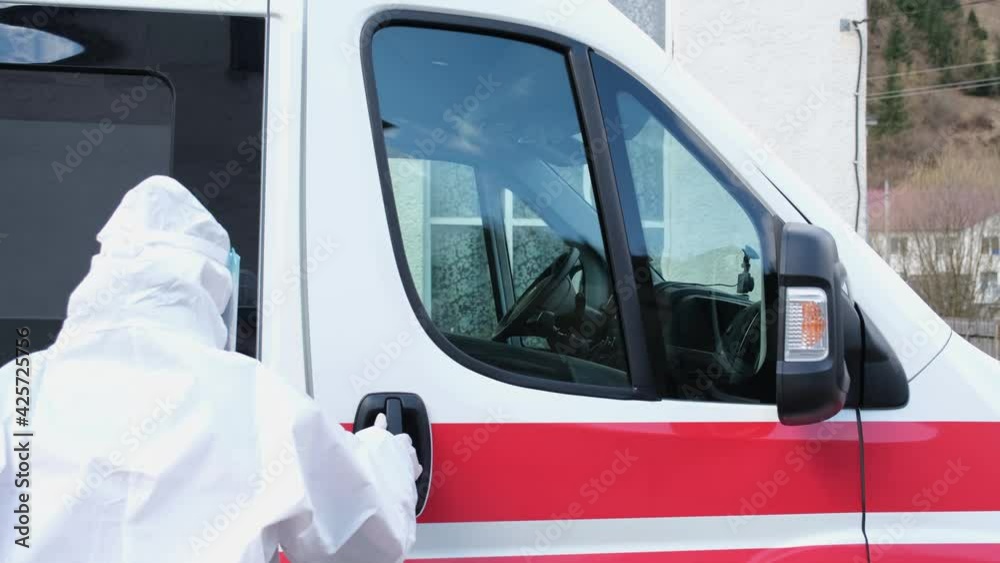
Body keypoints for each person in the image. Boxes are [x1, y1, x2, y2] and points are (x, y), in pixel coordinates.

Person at [0, 176, 421, 563]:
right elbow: (361, 539)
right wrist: (388, 454)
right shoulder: (254, 399)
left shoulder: (19, 386)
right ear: (211, 283)